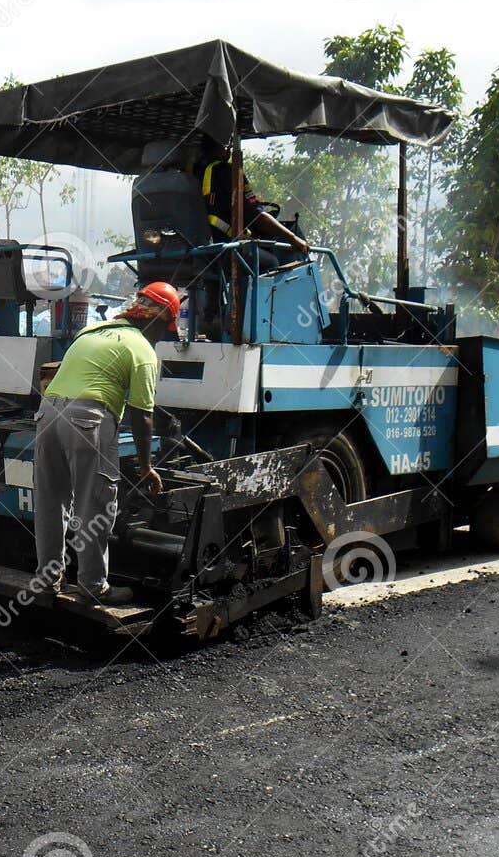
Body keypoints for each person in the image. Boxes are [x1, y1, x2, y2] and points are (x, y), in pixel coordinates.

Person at [32, 283, 178, 605]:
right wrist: (146, 467)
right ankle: (92, 586)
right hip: (88, 420)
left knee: (50, 502)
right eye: (166, 330)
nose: (163, 337)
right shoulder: (142, 350)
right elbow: (143, 416)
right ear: (157, 321)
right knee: (93, 504)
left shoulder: (93, 331)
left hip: (47, 412)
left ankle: (46, 583)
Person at [186, 138, 311, 254]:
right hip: (224, 248)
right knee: (273, 262)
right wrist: (293, 239)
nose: (229, 150)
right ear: (218, 146)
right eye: (227, 145)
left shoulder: (191, 174)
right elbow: (257, 217)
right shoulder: (228, 171)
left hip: (196, 248)